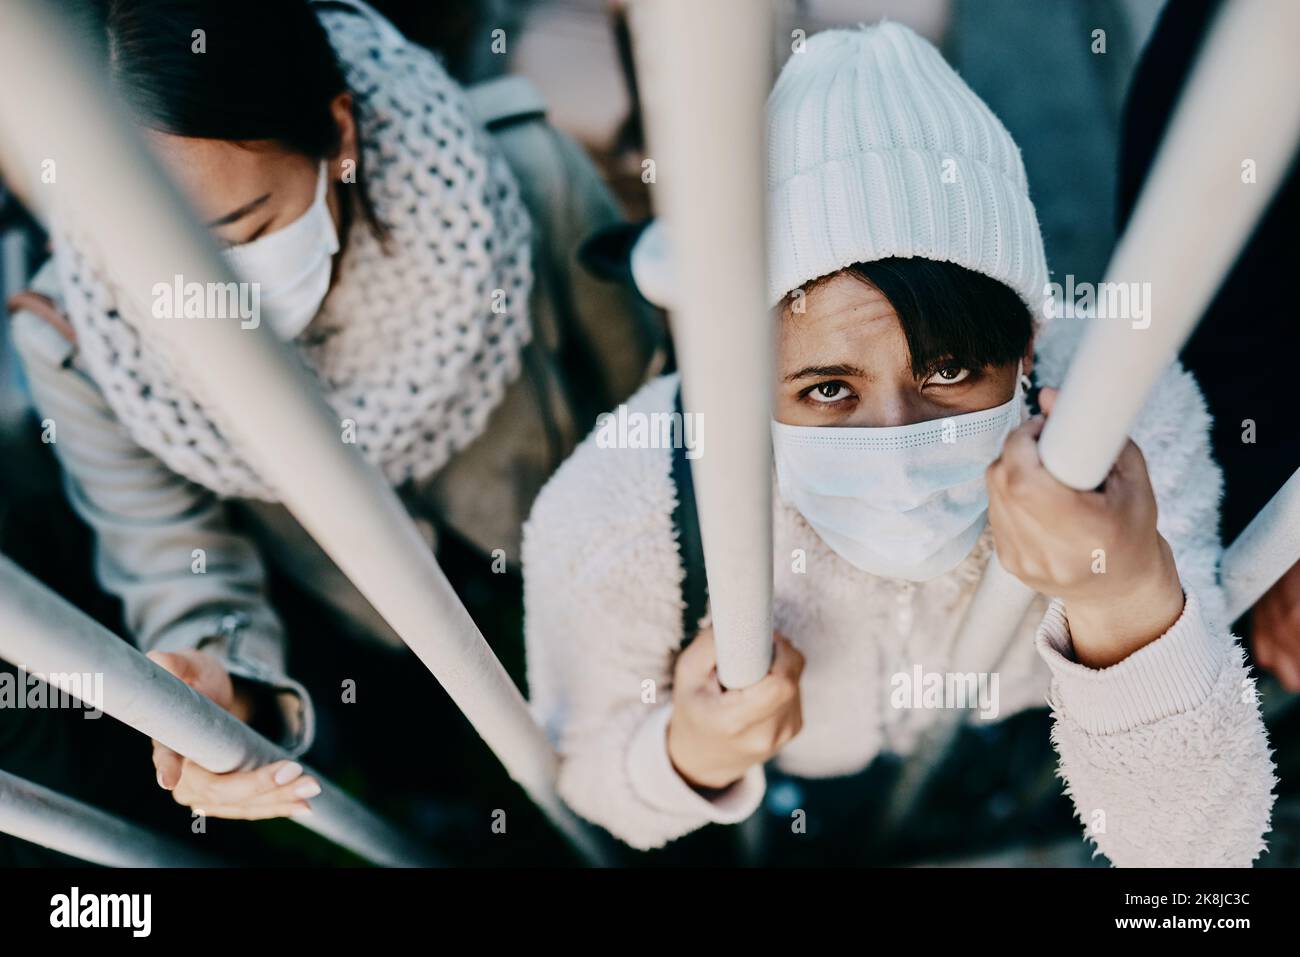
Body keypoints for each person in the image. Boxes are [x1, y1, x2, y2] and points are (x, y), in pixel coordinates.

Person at [522, 23, 1276, 866]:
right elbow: (581, 767)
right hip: (789, 786)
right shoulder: (628, 498)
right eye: (828, 389)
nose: (902, 451)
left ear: (1028, 346)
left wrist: (1124, 595)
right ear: (744, 373)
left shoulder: (1124, 423)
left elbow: (1195, 861)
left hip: (1021, 740)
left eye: (949, 369)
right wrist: (685, 755)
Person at [8, 0, 658, 822]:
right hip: (359, 627)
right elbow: (176, 555)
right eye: (164, 259)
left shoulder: (524, 172)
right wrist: (223, 691)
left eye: (243, 231)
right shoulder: (75, 340)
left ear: (339, 136)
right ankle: (440, 796)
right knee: (414, 744)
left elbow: (641, 402)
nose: (215, 304)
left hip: (574, 561)